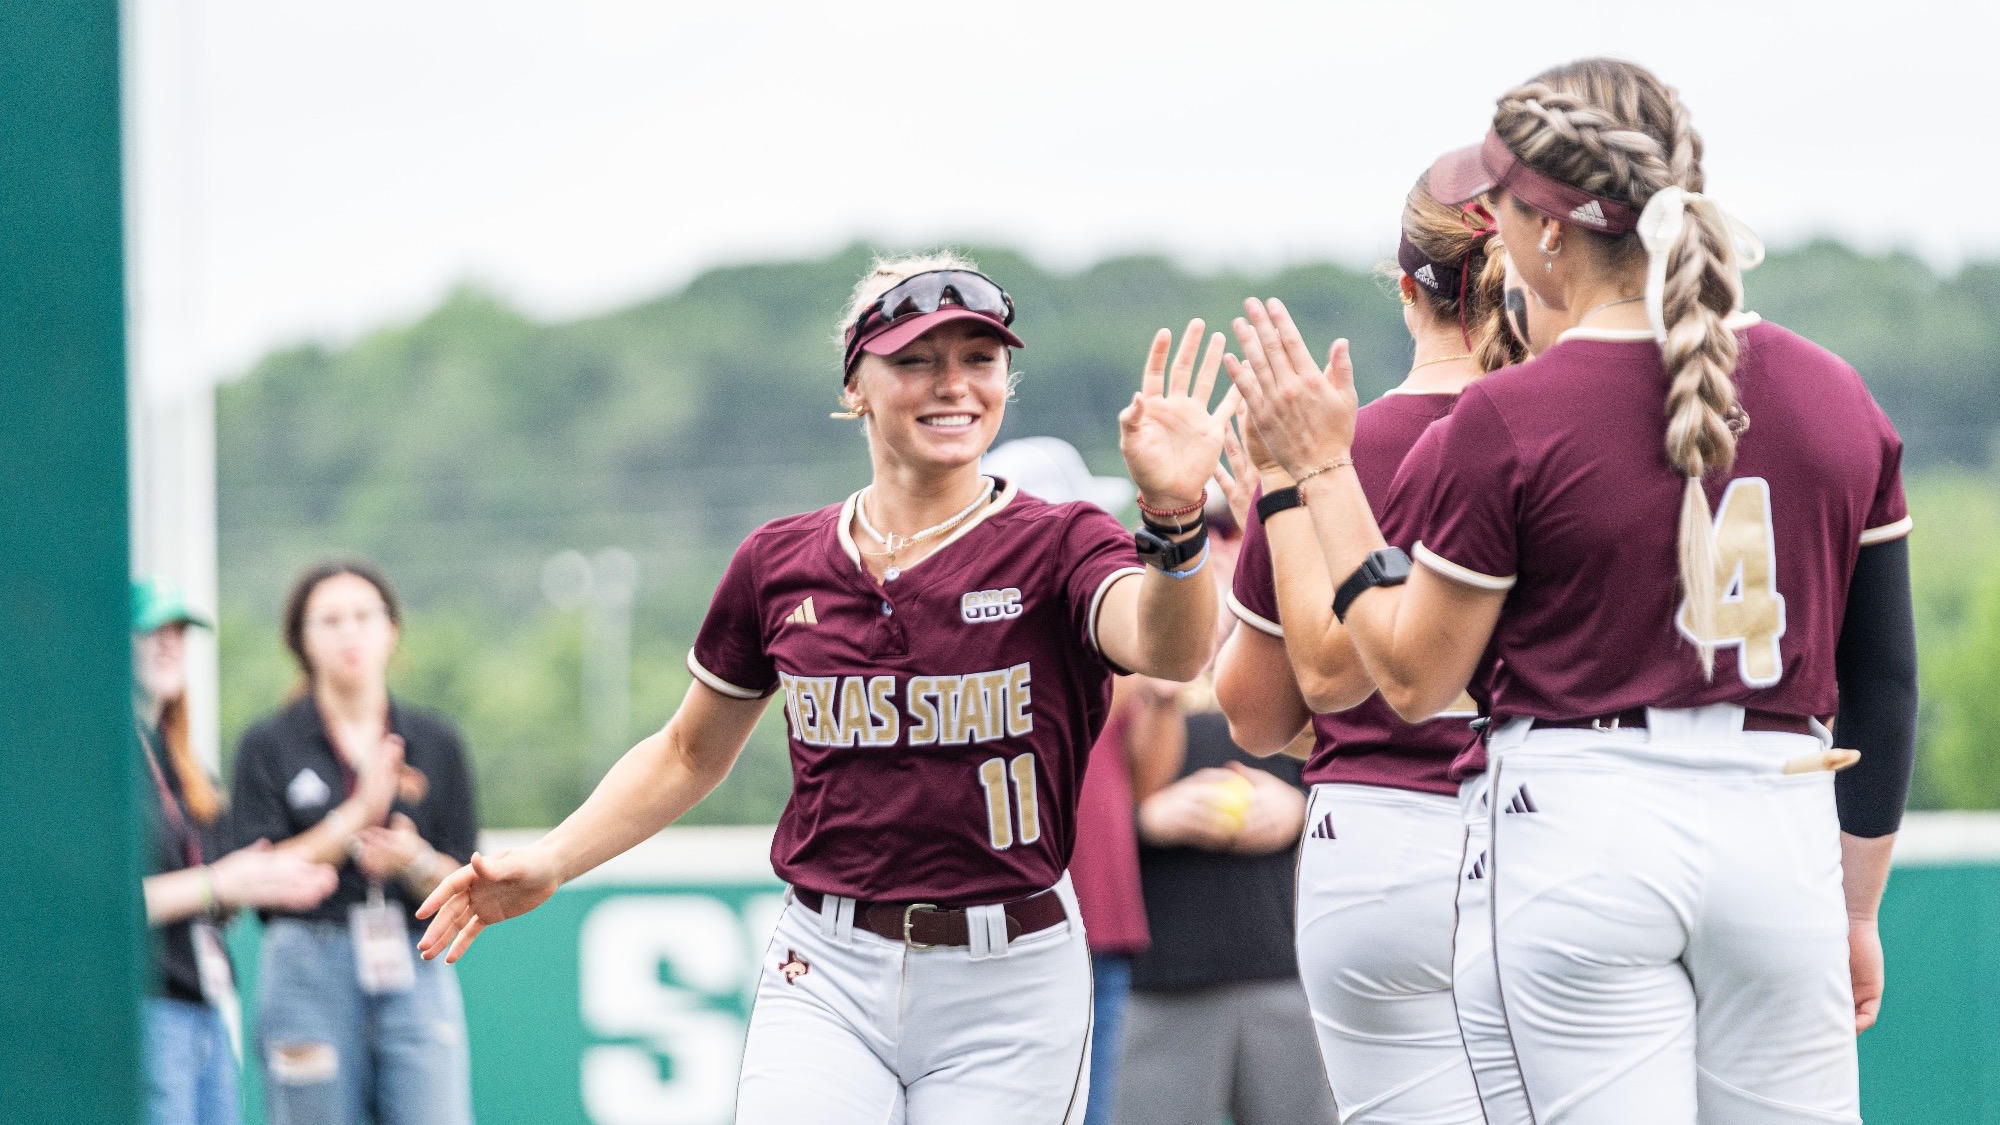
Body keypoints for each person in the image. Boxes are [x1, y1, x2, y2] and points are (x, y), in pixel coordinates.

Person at [1227, 57, 1917, 1124]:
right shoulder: (1832, 390)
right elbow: (1884, 682)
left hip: (1582, 823)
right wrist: (1857, 906)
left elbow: (1409, 679)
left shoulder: (1510, 416)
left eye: (1504, 205)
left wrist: (1316, 470)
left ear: (1548, 231)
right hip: (1778, 817)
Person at [415, 251, 1235, 1124]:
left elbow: (1171, 648)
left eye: (979, 358)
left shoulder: (1060, 541)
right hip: (828, 964)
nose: (953, 384)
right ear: (856, 384)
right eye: (917, 359)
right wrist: (553, 857)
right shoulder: (781, 561)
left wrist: (1173, 520)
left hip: (1011, 976)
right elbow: (689, 751)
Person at [1212, 170, 1515, 1124]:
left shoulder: (1333, 445)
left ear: (1406, 285)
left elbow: (1258, 711)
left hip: (1376, 844)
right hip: (1548, 832)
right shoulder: (1571, 430)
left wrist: (1278, 486)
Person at [229, 561, 480, 1125]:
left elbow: (464, 875)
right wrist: (353, 819)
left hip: (416, 954)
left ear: (392, 630)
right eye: (330, 620)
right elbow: (249, 874)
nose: (350, 632)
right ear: (301, 639)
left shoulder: (436, 741)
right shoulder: (268, 743)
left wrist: (413, 859)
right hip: (305, 962)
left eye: (364, 616)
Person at [1115, 499, 1331, 1125]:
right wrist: (1145, 821)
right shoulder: (1126, 660)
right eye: (1206, 538)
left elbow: (1358, 774)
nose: (1225, 554)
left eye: (1238, 536)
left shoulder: (1299, 654)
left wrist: (1300, 810)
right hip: (1162, 973)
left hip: (1285, 967)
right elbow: (1085, 812)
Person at [980, 436, 1153, 1125]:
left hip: (1094, 914)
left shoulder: (1105, 632)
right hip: (1007, 923)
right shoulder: (988, 644)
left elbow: (1142, 774)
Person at [136, 575, 339, 1125]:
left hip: (205, 1009)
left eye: (178, 632)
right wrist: (220, 884)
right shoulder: (96, 764)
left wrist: (258, 881)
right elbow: (106, 905)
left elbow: (222, 884)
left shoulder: (187, 769)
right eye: (150, 631)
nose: (169, 644)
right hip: (144, 1011)